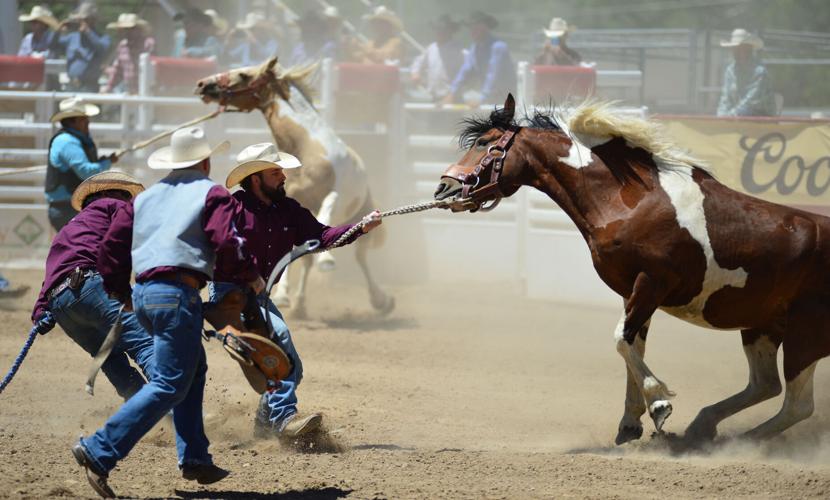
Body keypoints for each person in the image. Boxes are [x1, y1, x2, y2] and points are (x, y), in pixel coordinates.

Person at [71, 127, 265, 498]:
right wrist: (250, 274)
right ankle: (99, 450)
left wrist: (119, 290)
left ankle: (195, 457)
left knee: (192, 370)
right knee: (170, 382)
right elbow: (228, 240)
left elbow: (112, 245)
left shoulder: (145, 199)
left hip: (145, 293)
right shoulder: (212, 194)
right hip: (179, 292)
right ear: (206, 161)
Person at [212, 143, 382, 441]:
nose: (284, 177)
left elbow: (322, 236)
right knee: (281, 343)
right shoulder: (231, 208)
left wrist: (360, 228)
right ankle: (283, 420)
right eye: (275, 171)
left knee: (293, 367)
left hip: (258, 298)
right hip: (231, 298)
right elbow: (221, 246)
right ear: (256, 179)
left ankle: (264, 429)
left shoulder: (287, 210)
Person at [32, 171, 154, 401]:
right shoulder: (112, 205)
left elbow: (52, 273)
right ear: (108, 194)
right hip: (89, 286)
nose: (129, 203)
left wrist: (40, 310)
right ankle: (178, 407)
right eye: (125, 196)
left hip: (61, 305)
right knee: (144, 342)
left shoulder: (67, 230)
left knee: (111, 358)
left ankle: (153, 415)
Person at [46, 97, 115, 231]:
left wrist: (102, 162)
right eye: (84, 118)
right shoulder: (68, 142)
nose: (87, 122)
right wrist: (107, 163)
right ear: (74, 121)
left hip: (70, 206)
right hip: (68, 208)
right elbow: (86, 172)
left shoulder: (70, 140)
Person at [442, 11, 516, 107]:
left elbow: (493, 75)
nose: (472, 30)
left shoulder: (498, 47)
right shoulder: (475, 48)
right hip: (490, 99)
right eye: (471, 27)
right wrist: (452, 92)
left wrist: (482, 98)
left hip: (507, 99)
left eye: (476, 27)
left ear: (485, 27)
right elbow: (465, 71)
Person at [717, 28, 776, 117]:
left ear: (750, 49)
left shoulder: (760, 73)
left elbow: (750, 102)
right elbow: (725, 98)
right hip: (737, 118)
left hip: (761, 119)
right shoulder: (730, 71)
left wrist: (729, 116)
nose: (738, 52)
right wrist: (720, 115)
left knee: (746, 111)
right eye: (735, 49)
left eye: (742, 48)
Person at [53, 2, 111, 92]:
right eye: (79, 20)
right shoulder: (71, 37)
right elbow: (52, 45)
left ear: (93, 20)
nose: (81, 23)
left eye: (85, 20)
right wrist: (58, 30)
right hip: (71, 85)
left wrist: (88, 32)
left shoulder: (103, 38)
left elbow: (102, 50)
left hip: (90, 86)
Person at [409, 14, 464, 102]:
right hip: (434, 97)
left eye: (443, 29)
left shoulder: (459, 51)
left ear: (450, 31)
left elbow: (467, 75)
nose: (440, 32)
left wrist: (454, 94)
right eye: (438, 29)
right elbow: (418, 62)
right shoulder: (431, 48)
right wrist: (415, 73)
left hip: (453, 98)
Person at [102, 13, 155, 94]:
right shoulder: (122, 46)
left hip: (148, 90)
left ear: (138, 29)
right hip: (130, 90)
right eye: (123, 29)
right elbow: (118, 70)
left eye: (130, 29)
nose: (126, 32)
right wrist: (109, 87)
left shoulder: (148, 44)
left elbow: (156, 67)